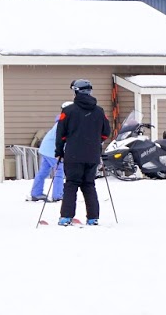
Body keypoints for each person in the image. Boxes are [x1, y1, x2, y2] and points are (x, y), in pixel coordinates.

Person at [54, 77, 110, 226]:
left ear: (76, 92)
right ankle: (93, 218)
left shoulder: (68, 111)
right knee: (89, 185)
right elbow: (106, 132)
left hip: (73, 154)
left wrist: (59, 150)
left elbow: (61, 133)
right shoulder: (99, 111)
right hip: (92, 154)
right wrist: (96, 141)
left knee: (71, 184)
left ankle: (66, 217)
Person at [29, 109, 65, 204]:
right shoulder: (64, 123)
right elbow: (62, 139)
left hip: (45, 148)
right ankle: (58, 195)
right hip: (52, 150)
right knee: (59, 171)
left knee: (43, 171)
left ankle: (36, 193)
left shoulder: (60, 122)